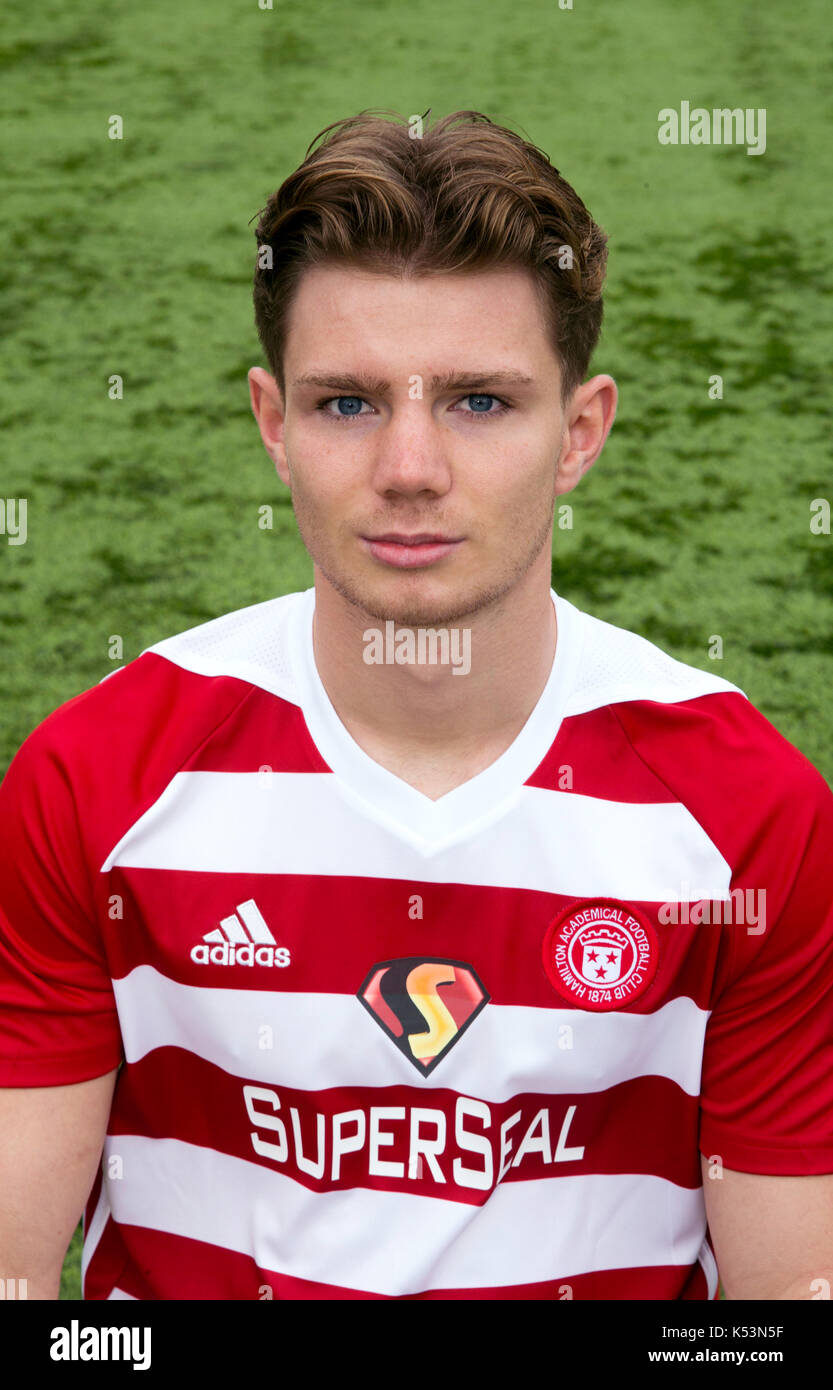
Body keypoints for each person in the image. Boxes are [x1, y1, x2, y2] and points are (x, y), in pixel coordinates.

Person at [1, 109, 831, 1302]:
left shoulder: (745, 813)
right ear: (273, 424)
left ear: (579, 433)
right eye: (346, 403)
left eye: (478, 402)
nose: (407, 468)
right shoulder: (98, 780)